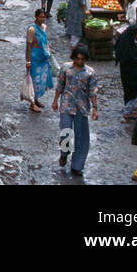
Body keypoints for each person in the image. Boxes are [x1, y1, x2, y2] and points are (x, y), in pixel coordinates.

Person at [52, 42, 99, 176]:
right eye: (77, 58)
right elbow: (60, 85)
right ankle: (64, 153)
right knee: (66, 132)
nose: (79, 61)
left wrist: (95, 109)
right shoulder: (66, 68)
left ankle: (77, 165)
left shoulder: (90, 72)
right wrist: (55, 101)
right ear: (74, 57)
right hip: (67, 105)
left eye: (82, 59)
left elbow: (93, 92)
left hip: (82, 108)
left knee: (81, 137)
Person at [25, 8, 55, 112]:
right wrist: (28, 61)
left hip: (43, 57)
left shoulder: (43, 27)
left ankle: (36, 100)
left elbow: (45, 43)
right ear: (36, 17)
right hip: (35, 58)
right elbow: (29, 46)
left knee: (40, 80)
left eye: (44, 17)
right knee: (33, 80)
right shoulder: (31, 29)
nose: (42, 19)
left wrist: (49, 53)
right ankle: (32, 103)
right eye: (40, 17)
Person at [115, 25, 137, 121]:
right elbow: (134, 60)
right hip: (130, 72)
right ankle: (128, 112)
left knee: (128, 90)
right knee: (131, 91)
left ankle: (128, 109)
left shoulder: (124, 39)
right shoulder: (128, 45)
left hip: (125, 70)